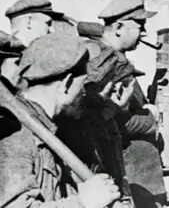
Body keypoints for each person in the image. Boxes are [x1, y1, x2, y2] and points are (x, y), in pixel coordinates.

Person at [0, 34, 121, 208]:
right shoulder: (13, 136)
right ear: (67, 83)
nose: (84, 93)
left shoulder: (56, 128)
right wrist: (84, 202)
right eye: (83, 84)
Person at [96, 0, 167, 208]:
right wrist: (151, 119)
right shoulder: (107, 64)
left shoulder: (116, 59)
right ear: (119, 27)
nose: (144, 33)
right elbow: (115, 121)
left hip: (138, 173)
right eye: (140, 25)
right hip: (130, 173)